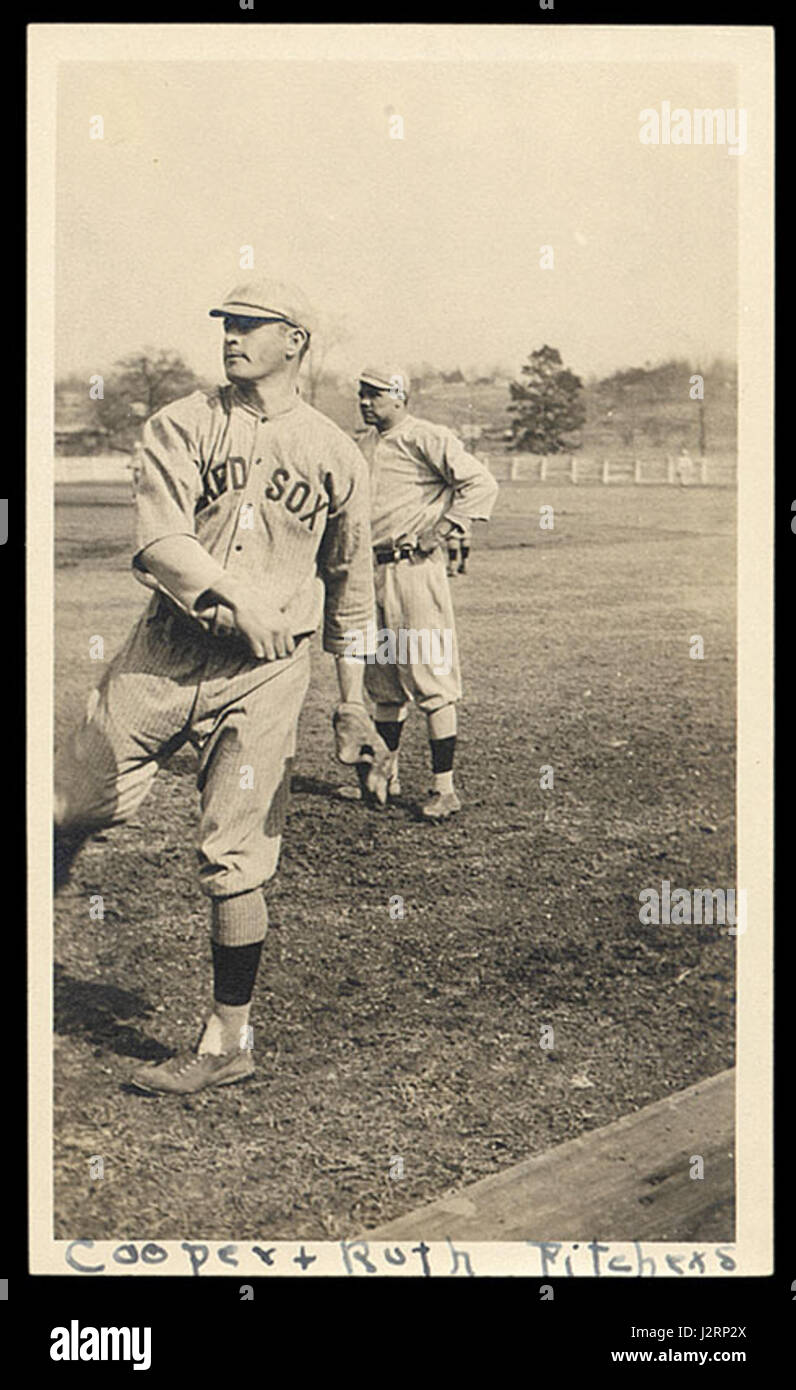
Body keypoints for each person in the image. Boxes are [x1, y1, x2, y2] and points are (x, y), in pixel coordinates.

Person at [54, 277, 388, 1095]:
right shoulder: (182, 422)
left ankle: (228, 1040)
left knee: (236, 857)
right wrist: (237, 597)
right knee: (67, 805)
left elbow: (351, 587)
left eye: (250, 324)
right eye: (228, 324)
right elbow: (160, 541)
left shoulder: (337, 452)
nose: (232, 335)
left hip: (267, 677)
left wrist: (351, 702)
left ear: (295, 342)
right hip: (164, 651)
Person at [352, 365, 498, 820]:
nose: (365, 402)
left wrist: (442, 530)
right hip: (371, 571)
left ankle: (444, 788)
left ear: (399, 396)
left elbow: (480, 482)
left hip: (414, 569)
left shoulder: (425, 436)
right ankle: (384, 774)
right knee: (383, 683)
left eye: (375, 395)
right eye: (362, 394)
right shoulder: (362, 446)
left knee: (431, 678)